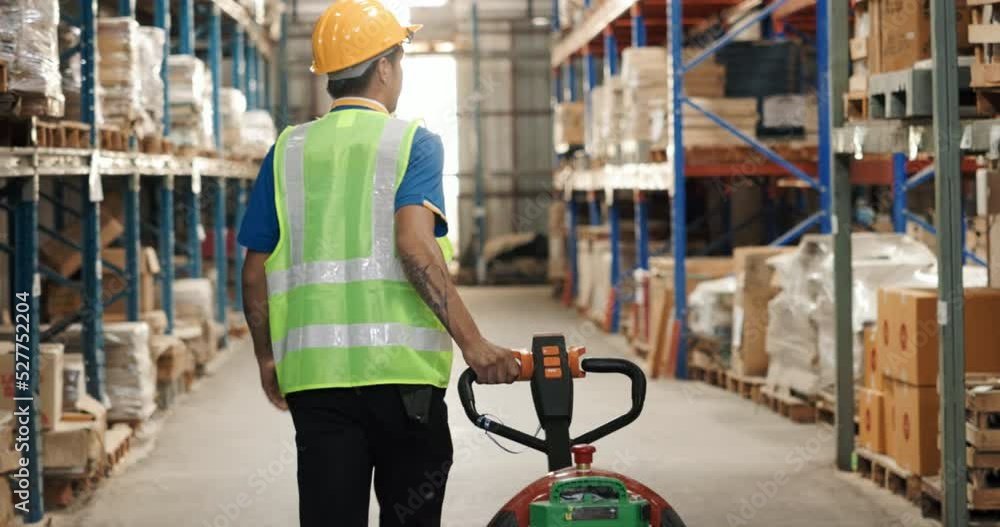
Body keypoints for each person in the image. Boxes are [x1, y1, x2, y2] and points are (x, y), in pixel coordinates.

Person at [237, 1, 521, 525]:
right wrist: (473, 343)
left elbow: (254, 272)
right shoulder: (413, 143)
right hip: (404, 384)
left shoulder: (287, 151)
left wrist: (266, 358)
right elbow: (415, 246)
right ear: (385, 67)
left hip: (317, 385)